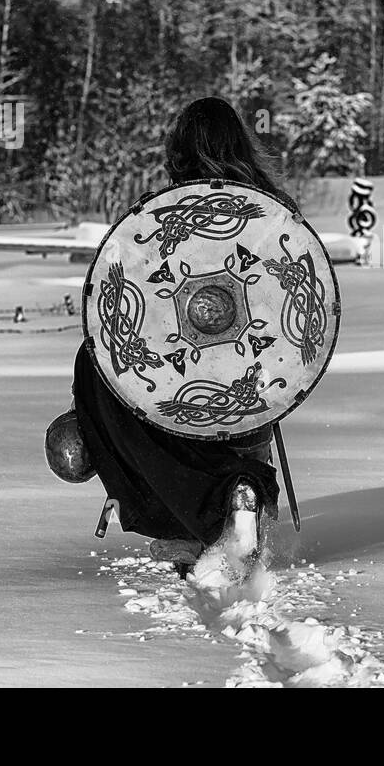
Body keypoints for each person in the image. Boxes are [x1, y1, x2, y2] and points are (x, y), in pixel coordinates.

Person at [66, 97, 294, 576]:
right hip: (258, 384)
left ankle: (195, 520)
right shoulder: (275, 214)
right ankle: (239, 491)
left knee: (99, 369)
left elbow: (132, 314)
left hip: (195, 381)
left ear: (177, 148)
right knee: (136, 374)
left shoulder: (163, 221)